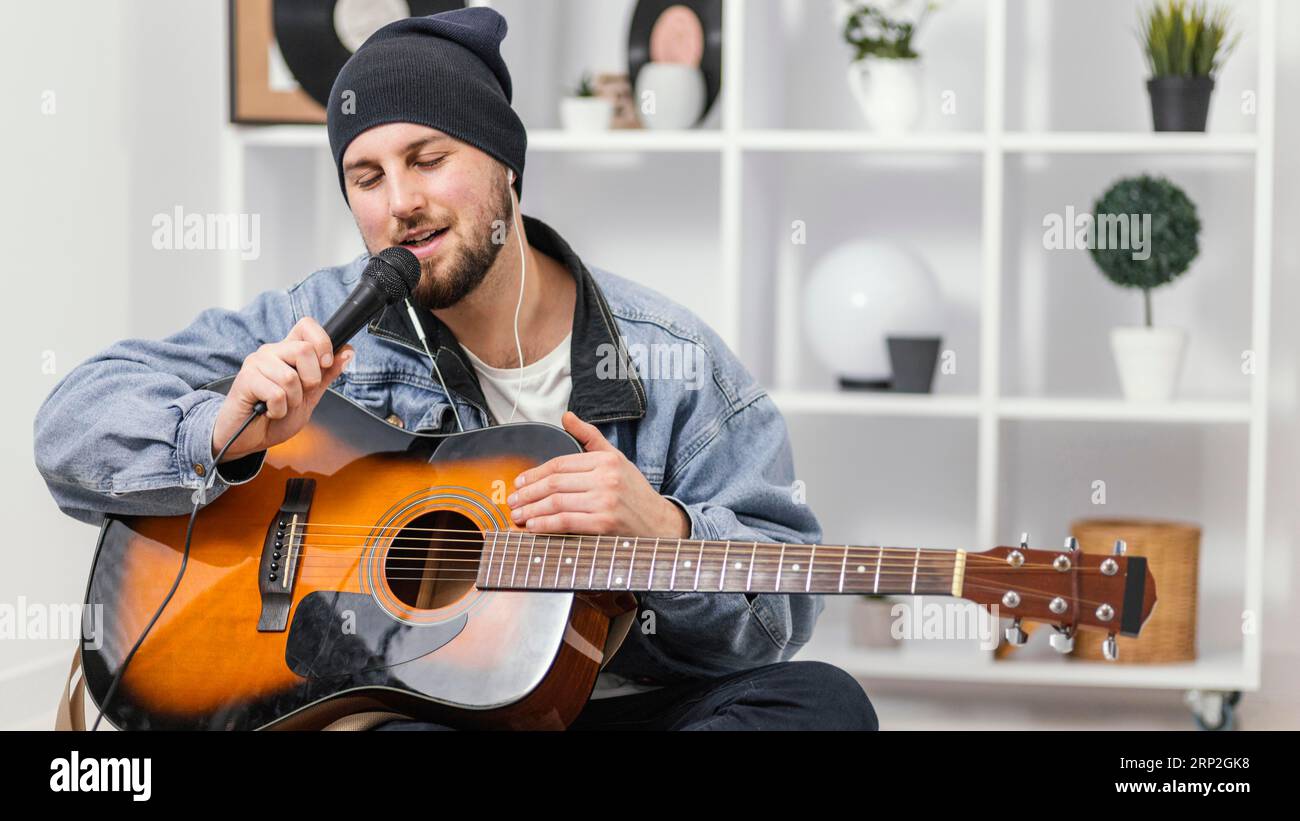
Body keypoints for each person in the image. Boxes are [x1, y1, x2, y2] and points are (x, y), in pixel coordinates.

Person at [34, 7, 877, 731]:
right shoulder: (318, 321)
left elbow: (778, 613)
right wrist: (224, 430)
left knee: (823, 703)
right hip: (427, 713)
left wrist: (666, 533)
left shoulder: (674, 359)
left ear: (504, 165)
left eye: (428, 159)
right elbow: (73, 421)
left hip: (629, 702)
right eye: (367, 176)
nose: (398, 202)